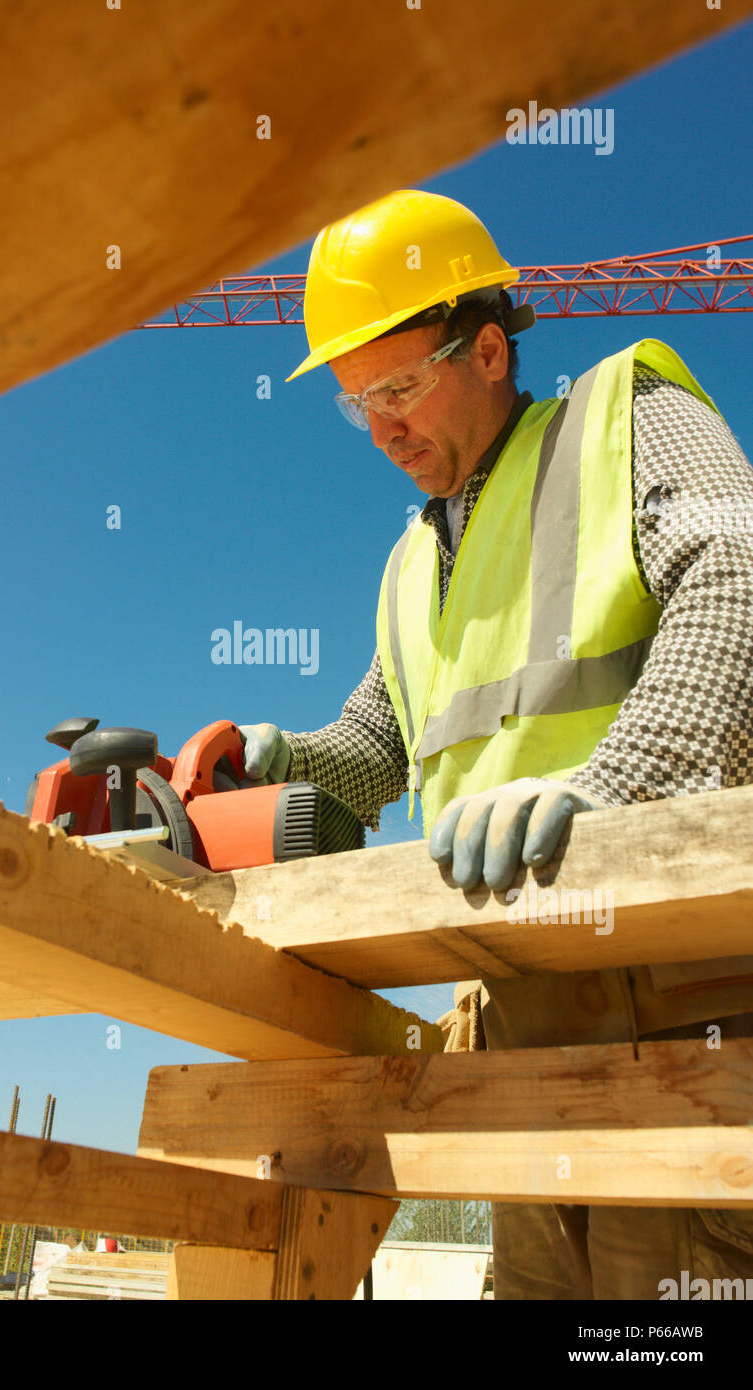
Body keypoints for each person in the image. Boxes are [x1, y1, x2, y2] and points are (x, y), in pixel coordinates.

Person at [237, 189, 753, 1300]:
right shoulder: (411, 562)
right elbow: (382, 745)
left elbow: (736, 583)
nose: (379, 427)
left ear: (484, 351)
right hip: (522, 1030)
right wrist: (282, 761)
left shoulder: (622, 415)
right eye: (353, 403)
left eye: (397, 387)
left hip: (690, 1001)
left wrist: (614, 792)